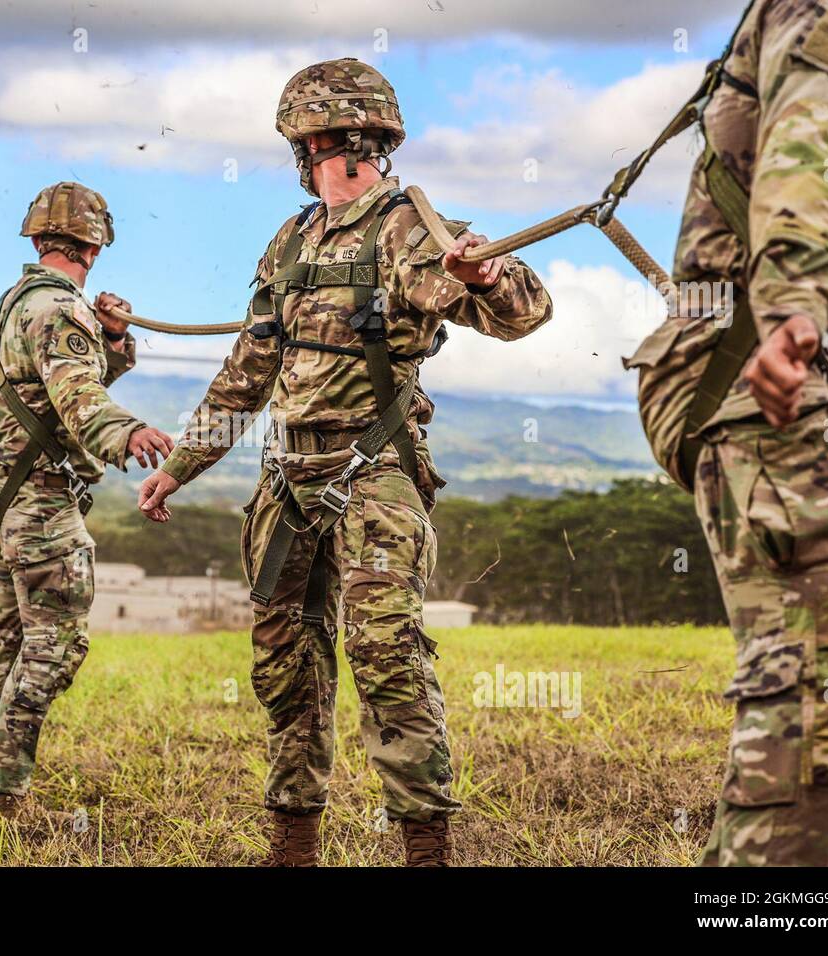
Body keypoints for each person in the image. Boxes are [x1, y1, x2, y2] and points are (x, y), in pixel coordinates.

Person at [137, 59, 553, 865]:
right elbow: (247, 373)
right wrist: (180, 466)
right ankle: (294, 843)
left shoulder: (411, 227)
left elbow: (526, 312)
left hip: (376, 470)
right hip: (287, 479)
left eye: (325, 139)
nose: (330, 152)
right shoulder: (289, 241)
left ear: (308, 139)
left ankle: (424, 847)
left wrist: (490, 275)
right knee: (284, 659)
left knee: (383, 645)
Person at [626, 0, 828, 865]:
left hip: (815, 372)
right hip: (747, 357)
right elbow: (807, 161)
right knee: (819, 674)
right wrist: (797, 309)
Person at [0, 181, 173, 818]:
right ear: (95, 245)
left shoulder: (15, 303)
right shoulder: (60, 310)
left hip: (7, 499)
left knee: (8, 641)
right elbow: (78, 398)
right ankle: (5, 798)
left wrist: (111, 337)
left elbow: (59, 382)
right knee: (55, 647)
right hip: (41, 505)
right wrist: (127, 432)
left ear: (34, 238)